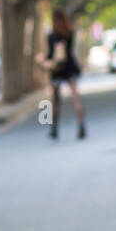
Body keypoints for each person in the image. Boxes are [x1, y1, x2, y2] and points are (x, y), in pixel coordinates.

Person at [36, 8, 86, 140]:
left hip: (57, 70)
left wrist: (42, 59)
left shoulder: (51, 35)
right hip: (70, 66)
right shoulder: (70, 32)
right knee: (75, 97)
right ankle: (81, 125)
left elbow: (49, 54)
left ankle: (54, 128)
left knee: (55, 101)